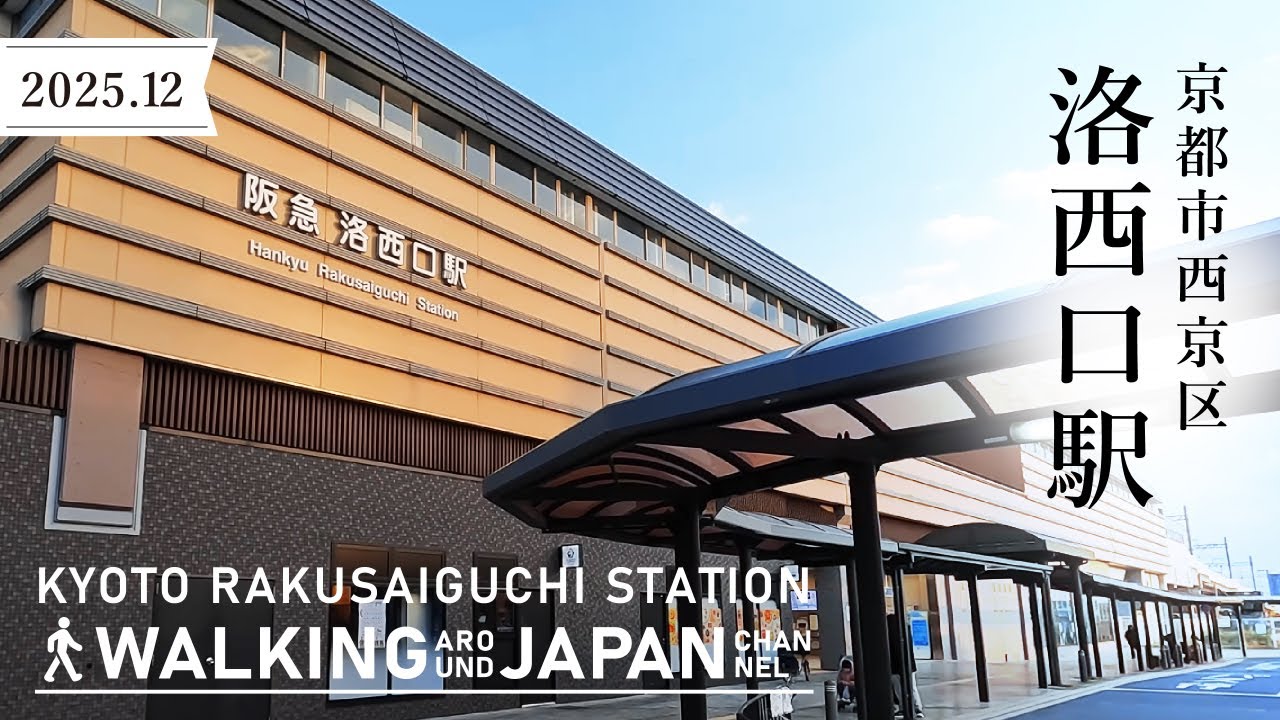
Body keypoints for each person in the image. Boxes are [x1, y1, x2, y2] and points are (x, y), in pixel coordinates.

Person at [887, 613, 925, 719]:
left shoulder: (889, 632)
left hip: (895, 665)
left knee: (900, 687)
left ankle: (905, 707)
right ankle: (916, 708)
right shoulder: (905, 629)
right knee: (911, 687)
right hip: (907, 664)